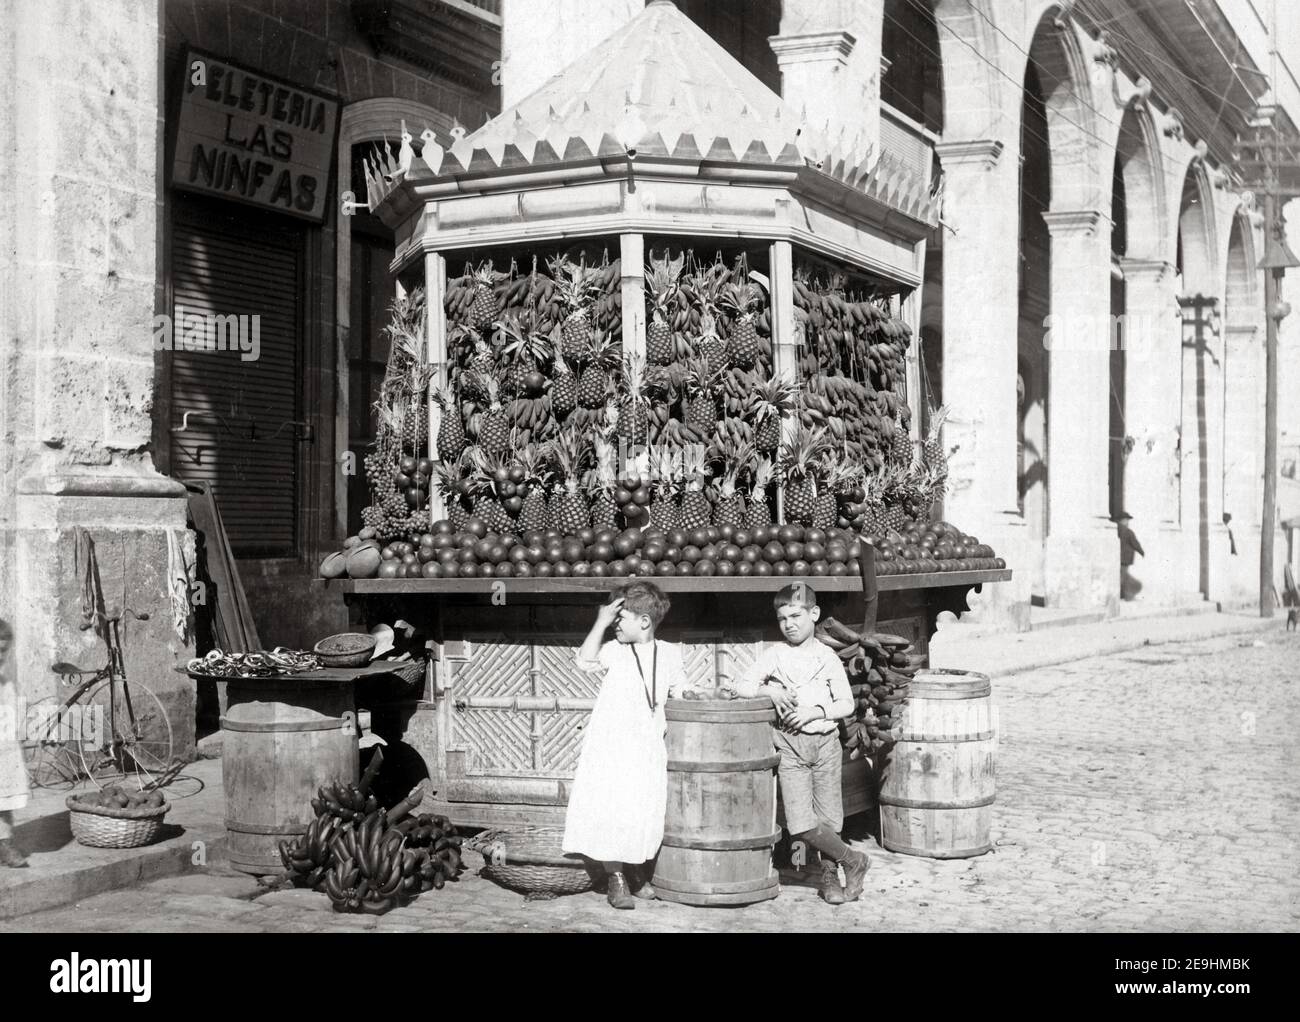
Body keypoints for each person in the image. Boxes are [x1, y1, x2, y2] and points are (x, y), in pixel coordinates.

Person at [726, 583, 868, 905]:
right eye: (782, 618)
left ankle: (830, 877)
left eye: (796, 615)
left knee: (830, 818)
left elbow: (846, 704)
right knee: (802, 824)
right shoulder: (775, 656)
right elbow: (740, 685)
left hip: (826, 744)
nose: (789, 624)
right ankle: (854, 859)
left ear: (814, 614)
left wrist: (815, 711)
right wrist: (769, 692)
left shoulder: (827, 657)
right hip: (790, 747)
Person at [562, 581, 688, 909]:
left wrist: (701, 694)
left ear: (644, 621)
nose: (616, 623)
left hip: (647, 747)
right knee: (612, 808)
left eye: (621, 618)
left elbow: (681, 690)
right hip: (611, 745)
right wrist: (601, 622)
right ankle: (615, 876)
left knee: (642, 809)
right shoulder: (614, 651)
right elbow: (584, 661)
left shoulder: (670, 653)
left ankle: (635, 870)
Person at [0, 618, 29, 868]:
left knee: (4, 801)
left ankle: (5, 844)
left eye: (3, 651)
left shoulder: (5, 682)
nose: (1, 655)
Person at [1115, 511, 1145, 601]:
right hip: (1126, 559)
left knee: (1121, 576)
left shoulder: (1116, 530)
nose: (1127, 522)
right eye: (1126, 520)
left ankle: (1123, 595)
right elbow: (1135, 544)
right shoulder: (1128, 532)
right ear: (1123, 520)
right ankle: (1124, 596)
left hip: (1118, 557)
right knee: (1122, 577)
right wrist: (1142, 552)